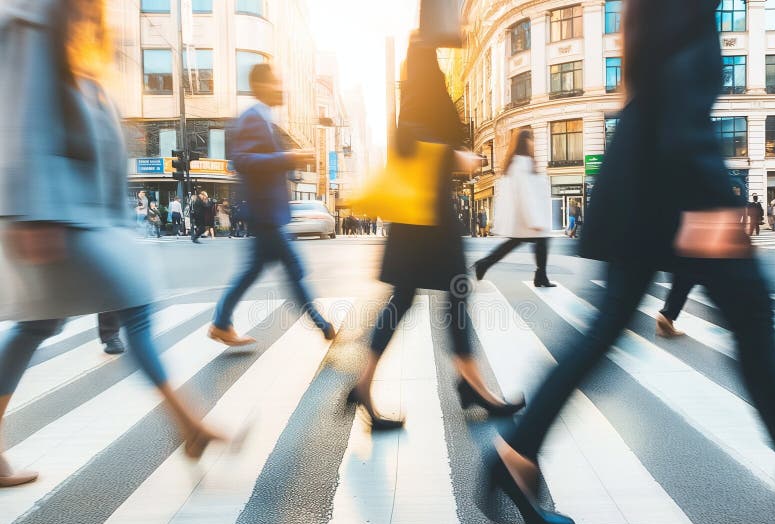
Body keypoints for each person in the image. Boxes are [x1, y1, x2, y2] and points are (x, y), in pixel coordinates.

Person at [476, 0, 775, 524]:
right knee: (753, 319)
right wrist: (718, 209)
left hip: (645, 187)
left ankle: (515, 453)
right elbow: (680, 109)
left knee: (607, 329)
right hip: (680, 188)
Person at [0, 0, 222, 487]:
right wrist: (31, 213)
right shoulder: (34, 20)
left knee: (38, 324)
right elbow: (21, 121)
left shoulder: (75, 38)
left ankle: (190, 426)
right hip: (55, 212)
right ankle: (190, 424)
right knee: (124, 310)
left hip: (85, 216)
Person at [349, 39, 524, 430]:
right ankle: (471, 384)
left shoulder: (413, 93)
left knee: (407, 299)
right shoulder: (420, 97)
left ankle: (367, 383)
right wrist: (456, 157)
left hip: (417, 218)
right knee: (454, 294)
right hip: (428, 216)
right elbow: (410, 143)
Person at [209, 63, 335, 346]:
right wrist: (288, 158)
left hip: (267, 212)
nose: (282, 88)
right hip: (263, 213)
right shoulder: (252, 118)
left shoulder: (264, 119)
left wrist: (288, 162)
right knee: (292, 268)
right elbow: (242, 160)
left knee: (254, 271)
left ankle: (221, 323)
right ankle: (322, 324)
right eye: (277, 83)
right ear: (261, 86)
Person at [473, 129, 557, 288]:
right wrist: (534, 219)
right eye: (531, 140)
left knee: (519, 243)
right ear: (525, 142)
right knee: (535, 242)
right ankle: (485, 264)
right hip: (527, 216)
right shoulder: (521, 163)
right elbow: (526, 192)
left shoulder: (521, 162)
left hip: (526, 216)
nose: (533, 143)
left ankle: (485, 264)